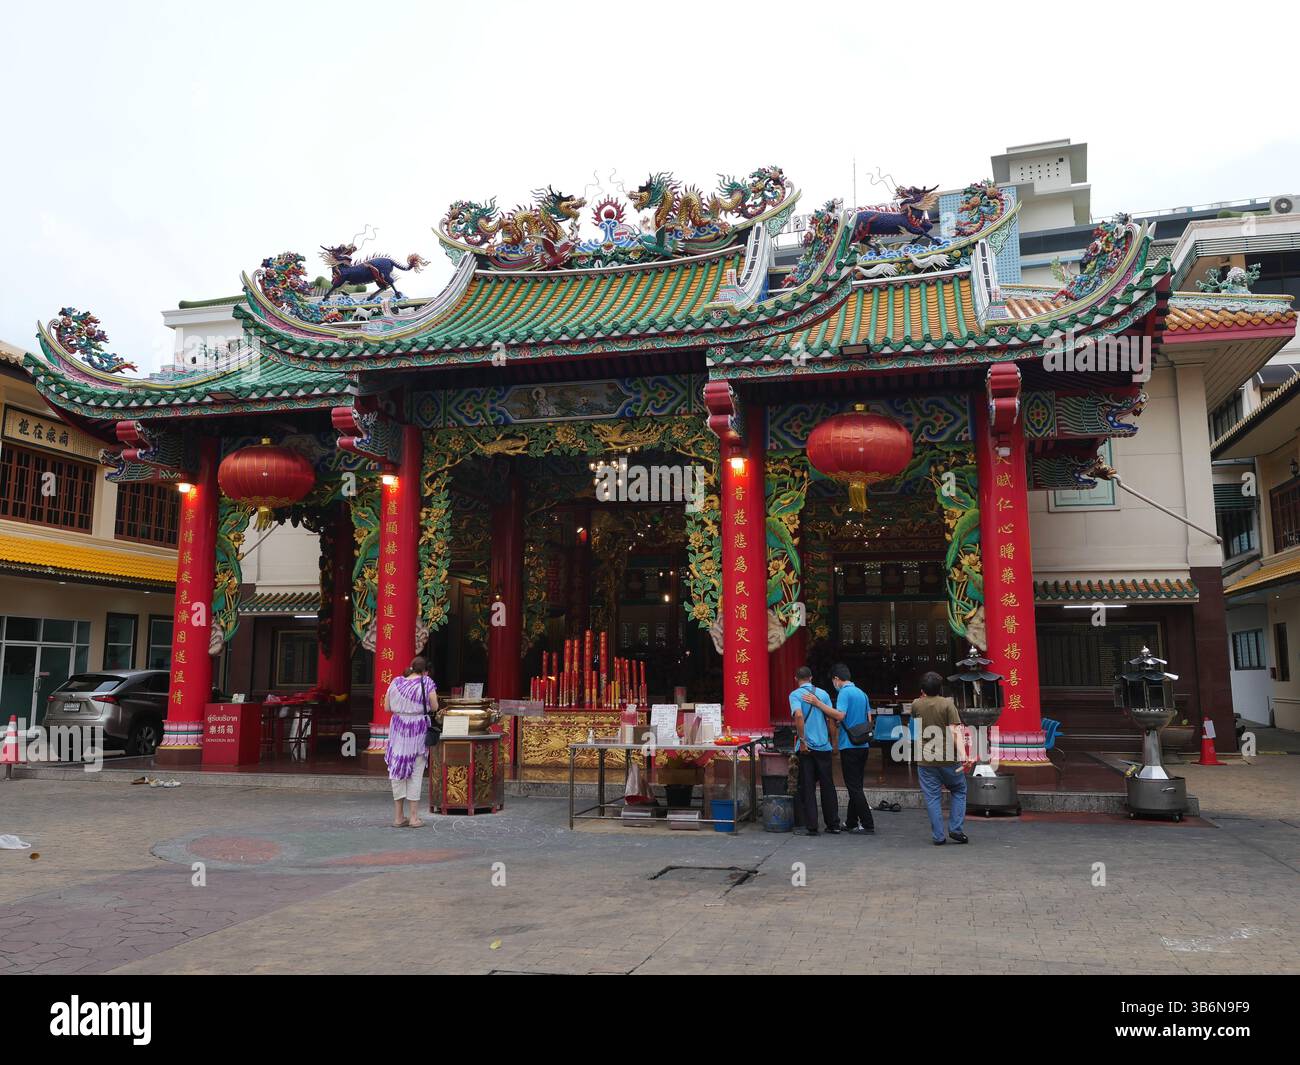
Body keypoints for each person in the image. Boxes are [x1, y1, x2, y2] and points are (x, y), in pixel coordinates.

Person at [911, 671, 970, 845]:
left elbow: (916, 727)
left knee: (932, 797)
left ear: (922, 690)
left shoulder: (916, 704)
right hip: (949, 758)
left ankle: (938, 836)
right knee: (959, 790)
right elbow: (955, 731)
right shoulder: (947, 704)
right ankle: (955, 828)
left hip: (926, 758)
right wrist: (964, 755)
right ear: (940, 689)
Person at [384, 657, 438, 828]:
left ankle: (399, 817)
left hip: (398, 729)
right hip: (417, 730)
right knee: (415, 770)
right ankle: (414, 817)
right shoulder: (427, 682)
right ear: (424, 670)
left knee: (397, 770)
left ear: (411, 667)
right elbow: (435, 706)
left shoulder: (396, 682)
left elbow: (387, 707)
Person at [790, 666, 843, 835]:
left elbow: (798, 716)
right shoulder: (823, 694)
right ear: (811, 678)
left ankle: (812, 826)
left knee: (808, 786)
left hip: (807, 749)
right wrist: (834, 744)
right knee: (828, 785)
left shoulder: (795, 695)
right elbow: (831, 721)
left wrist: (803, 741)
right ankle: (833, 824)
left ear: (795, 679)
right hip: (823, 746)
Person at [828, 663, 874, 834]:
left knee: (853, 786)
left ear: (837, 679)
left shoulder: (844, 693)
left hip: (849, 744)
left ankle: (868, 823)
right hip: (863, 743)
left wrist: (823, 706)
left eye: (834, 680)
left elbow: (840, 715)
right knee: (856, 785)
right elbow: (869, 717)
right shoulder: (862, 693)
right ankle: (851, 821)